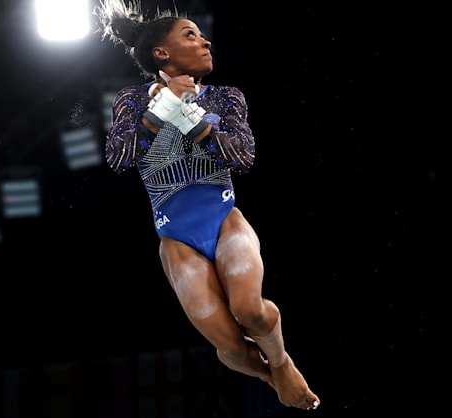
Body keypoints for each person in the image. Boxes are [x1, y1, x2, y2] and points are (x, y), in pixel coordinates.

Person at [94, 0, 320, 410]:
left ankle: (282, 361)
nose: (205, 40)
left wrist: (188, 115)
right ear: (161, 53)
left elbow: (241, 158)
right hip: (176, 238)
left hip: (224, 219)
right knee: (231, 348)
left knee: (251, 310)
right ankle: (273, 379)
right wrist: (163, 108)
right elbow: (120, 156)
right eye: (191, 35)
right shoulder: (131, 100)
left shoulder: (226, 97)